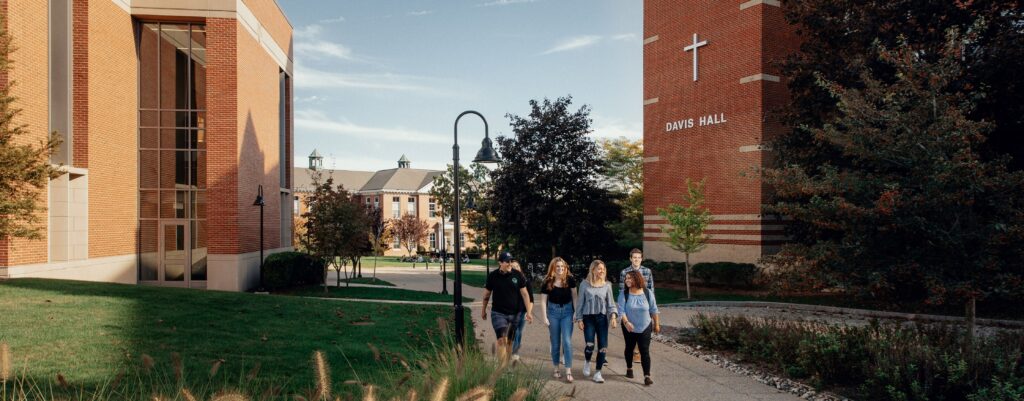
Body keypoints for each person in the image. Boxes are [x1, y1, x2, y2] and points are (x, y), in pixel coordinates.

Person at [481, 251, 533, 361]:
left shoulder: (518, 275)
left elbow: (525, 294)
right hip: (498, 313)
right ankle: (502, 366)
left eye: (510, 261)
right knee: (502, 339)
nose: (509, 263)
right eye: (506, 261)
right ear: (500, 262)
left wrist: (528, 312)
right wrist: (483, 310)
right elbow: (486, 294)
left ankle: (507, 363)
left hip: (515, 314)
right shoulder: (493, 276)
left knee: (510, 341)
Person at [574, 259, 618, 383]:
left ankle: (598, 373)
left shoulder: (607, 285)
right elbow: (580, 303)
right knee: (590, 345)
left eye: (603, 269)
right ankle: (587, 361)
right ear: (593, 270)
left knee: (603, 347)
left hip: (602, 318)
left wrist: (613, 317)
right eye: (599, 268)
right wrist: (579, 319)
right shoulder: (584, 284)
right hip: (588, 318)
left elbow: (611, 303)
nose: (602, 271)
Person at [617, 270, 661, 386]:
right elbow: (621, 311)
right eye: (626, 278)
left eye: (629, 278)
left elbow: (654, 309)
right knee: (629, 348)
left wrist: (656, 324)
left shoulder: (647, 293)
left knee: (644, 350)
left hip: (645, 326)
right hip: (629, 327)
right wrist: (626, 323)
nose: (627, 280)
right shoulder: (624, 294)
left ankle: (647, 376)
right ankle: (629, 368)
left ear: (637, 279)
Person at [539, 257, 578, 382]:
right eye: (558, 267)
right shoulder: (547, 282)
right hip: (553, 313)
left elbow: (575, 297)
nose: (561, 269)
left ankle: (568, 370)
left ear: (566, 268)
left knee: (567, 341)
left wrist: (576, 312)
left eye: (563, 267)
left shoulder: (570, 280)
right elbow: (543, 301)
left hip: (567, 312)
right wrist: (544, 317)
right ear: (553, 268)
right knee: (555, 343)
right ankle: (556, 368)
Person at [619, 248, 653, 363]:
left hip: (644, 303)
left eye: (639, 257)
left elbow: (650, 289)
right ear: (630, 259)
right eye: (634, 257)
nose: (637, 260)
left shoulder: (647, 271)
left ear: (641, 259)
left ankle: (637, 352)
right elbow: (621, 289)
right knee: (631, 328)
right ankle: (632, 350)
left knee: (642, 327)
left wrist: (651, 305)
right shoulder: (625, 272)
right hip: (630, 303)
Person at [508, 260, 534, 363]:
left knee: (519, 332)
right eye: (513, 267)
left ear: (520, 268)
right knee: (515, 331)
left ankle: (515, 351)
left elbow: (531, 299)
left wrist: (529, 312)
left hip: (523, 311)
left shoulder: (526, 281)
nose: (515, 268)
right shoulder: (508, 281)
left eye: (517, 266)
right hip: (511, 311)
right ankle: (514, 352)